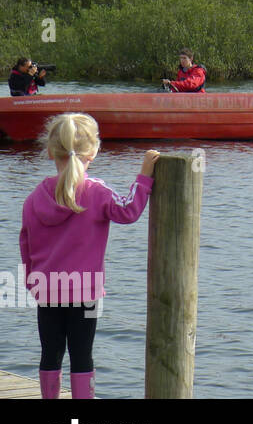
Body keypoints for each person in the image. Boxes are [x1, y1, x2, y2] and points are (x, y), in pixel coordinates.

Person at [19, 113, 159, 399]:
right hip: (86, 292)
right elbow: (129, 209)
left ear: (49, 151)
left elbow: (26, 244)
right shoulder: (96, 191)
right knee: (82, 354)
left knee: (50, 353)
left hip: (47, 289)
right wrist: (144, 175)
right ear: (93, 152)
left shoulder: (35, 197)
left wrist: (31, 283)